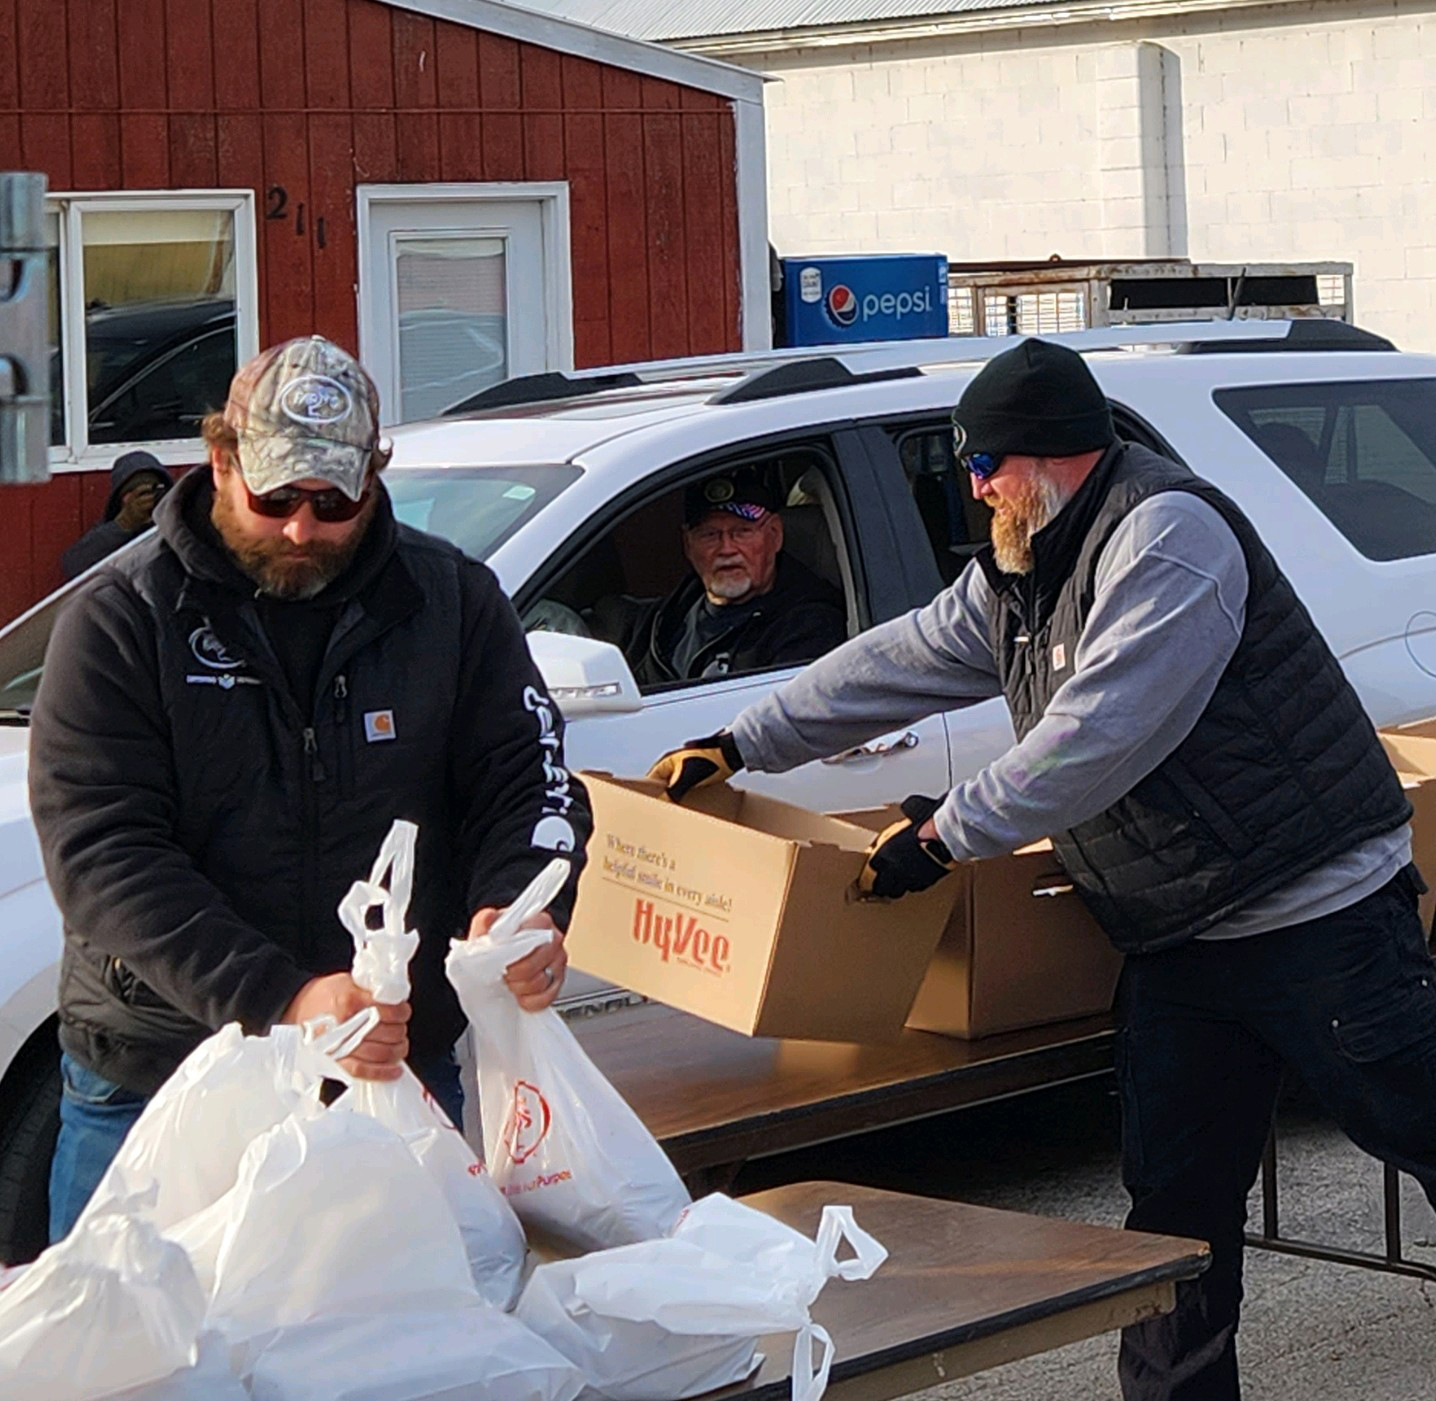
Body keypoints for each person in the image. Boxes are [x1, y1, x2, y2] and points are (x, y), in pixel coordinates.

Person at [648, 338, 1436, 1401]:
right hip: (1177, 938)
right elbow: (904, 659)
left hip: (1316, 918)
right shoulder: (1023, 566)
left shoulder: (1167, 537)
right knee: (1171, 1218)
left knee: (1415, 1126)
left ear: (1053, 456)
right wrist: (744, 741)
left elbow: (1098, 733)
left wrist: (941, 838)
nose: (973, 490)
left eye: (984, 468)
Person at [29, 335, 591, 1242]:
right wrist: (283, 996)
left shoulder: (451, 599)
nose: (301, 527)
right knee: (136, 1372)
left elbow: (528, 777)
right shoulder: (122, 617)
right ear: (221, 462)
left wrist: (517, 905)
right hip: (164, 1074)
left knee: (394, 1358)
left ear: (375, 477)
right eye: (276, 496)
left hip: (388, 1068)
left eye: (333, 501)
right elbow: (102, 850)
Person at [593, 470, 847, 686]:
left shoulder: (809, 627)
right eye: (710, 535)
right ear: (688, 545)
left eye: (742, 532)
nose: (726, 549)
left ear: (774, 535)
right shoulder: (669, 617)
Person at [60, 450, 172, 579]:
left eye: (155, 491)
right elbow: (73, 565)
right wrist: (125, 523)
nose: (148, 500)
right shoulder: (109, 534)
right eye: (140, 494)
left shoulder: (176, 523)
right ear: (124, 499)